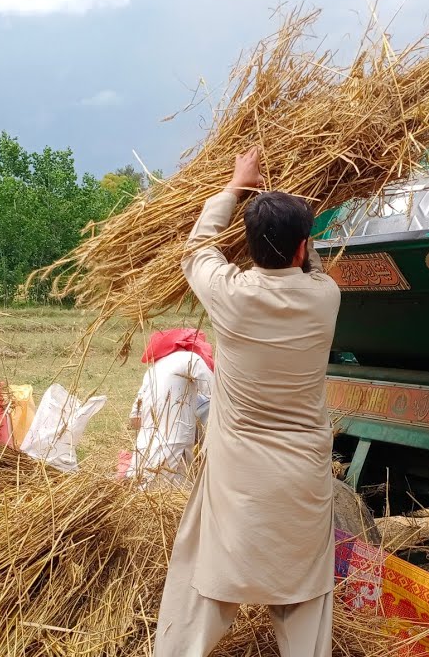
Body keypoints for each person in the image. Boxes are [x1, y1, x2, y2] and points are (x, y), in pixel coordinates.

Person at [153, 147, 341, 657]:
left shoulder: (229, 294)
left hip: (237, 479)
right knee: (305, 599)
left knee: (204, 578)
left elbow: (198, 246)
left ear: (249, 246)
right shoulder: (325, 298)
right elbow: (311, 265)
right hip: (302, 478)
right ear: (303, 248)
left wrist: (236, 187)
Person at [125, 328, 215, 486]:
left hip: (142, 452)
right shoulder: (191, 358)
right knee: (177, 498)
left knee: (141, 493)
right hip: (174, 447)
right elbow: (216, 393)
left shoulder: (153, 369)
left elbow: (135, 419)